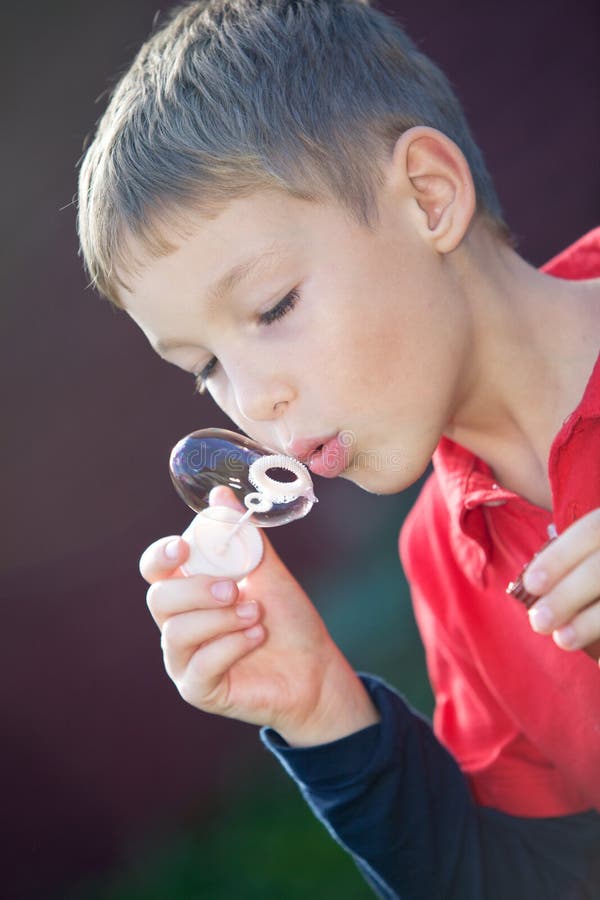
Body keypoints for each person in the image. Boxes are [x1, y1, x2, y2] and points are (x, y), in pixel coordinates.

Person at [76, 1, 600, 896]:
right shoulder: (442, 560)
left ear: (429, 197)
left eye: (274, 307)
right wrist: (326, 714)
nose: (253, 402)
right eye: (205, 368)